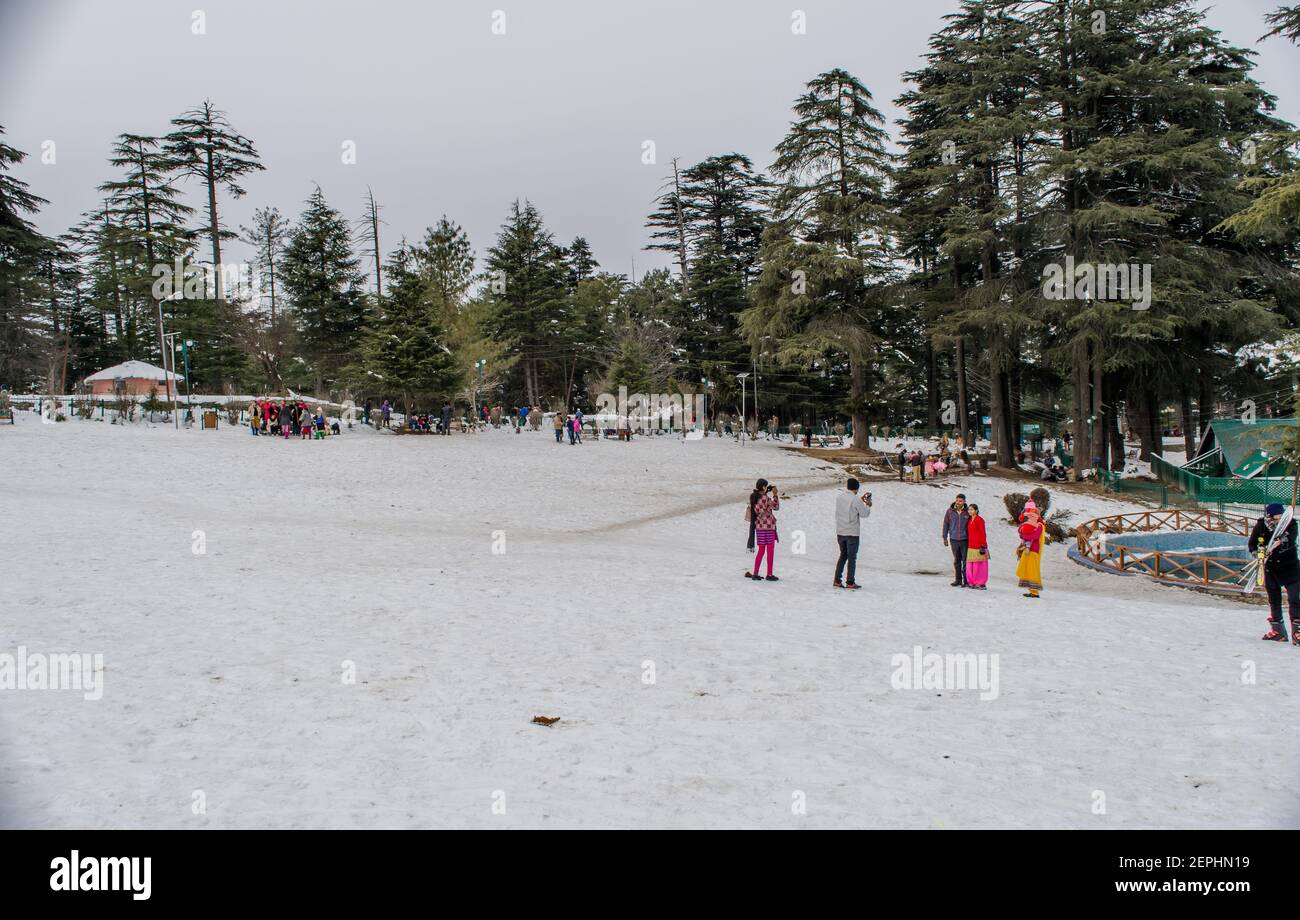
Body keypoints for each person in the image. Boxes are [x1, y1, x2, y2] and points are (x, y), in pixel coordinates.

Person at [1251, 503, 1300, 643]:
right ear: (1270, 516)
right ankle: (1278, 631)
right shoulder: (1261, 526)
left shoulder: (1290, 524)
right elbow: (1252, 543)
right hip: (1270, 569)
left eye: (1282, 516)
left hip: (1290, 568)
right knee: (1274, 601)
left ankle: (1297, 632)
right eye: (1278, 516)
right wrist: (1257, 553)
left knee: (1295, 600)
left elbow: (1291, 540)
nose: (1281, 518)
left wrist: (1284, 540)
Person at [834, 478, 872, 589]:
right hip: (852, 532)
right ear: (857, 487)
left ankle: (837, 580)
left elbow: (848, 507)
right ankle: (850, 581)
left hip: (840, 531)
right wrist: (868, 504)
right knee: (852, 557)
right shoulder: (856, 500)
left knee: (843, 555)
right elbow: (864, 514)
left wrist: (859, 501)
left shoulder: (839, 497)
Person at [744, 479, 780, 582]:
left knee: (761, 551)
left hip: (759, 527)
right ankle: (769, 574)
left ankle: (755, 573)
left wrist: (766, 492)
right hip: (768, 527)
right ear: (763, 487)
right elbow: (776, 507)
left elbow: (760, 503)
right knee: (770, 551)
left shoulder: (754, 497)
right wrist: (775, 495)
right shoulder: (766, 498)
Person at [1016, 499, 1047, 598]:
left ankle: (1035, 591)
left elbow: (1035, 537)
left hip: (1034, 550)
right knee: (1027, 569)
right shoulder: (1030, 524)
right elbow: (1022, 534)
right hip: (1027, 549)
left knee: (1033, 570)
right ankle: (1031, 590)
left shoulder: (1040, 525)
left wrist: (1024, 536)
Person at [943, 494, 971, 587]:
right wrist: (944, 537)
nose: (958, 502)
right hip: (954, 539)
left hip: (965, 540)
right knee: (957, 560)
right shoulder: (950, 512)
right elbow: (946, 524)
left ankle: (966, 581)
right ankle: (958, 580)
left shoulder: (968, 512)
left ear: (964, 502)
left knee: (965, 560)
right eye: (957, 500)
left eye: (960, 501)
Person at [965, 503, 989, 589]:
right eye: (969, 509)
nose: (970, 511)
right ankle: (972, 582)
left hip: (979, 546)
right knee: (970, 565)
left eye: (972, 509)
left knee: (979, 566)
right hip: (971, 545)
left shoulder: (980, 520)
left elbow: (983, 533)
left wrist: (983, 545)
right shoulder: (969, 519)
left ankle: (980, 583)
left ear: (976, 510)